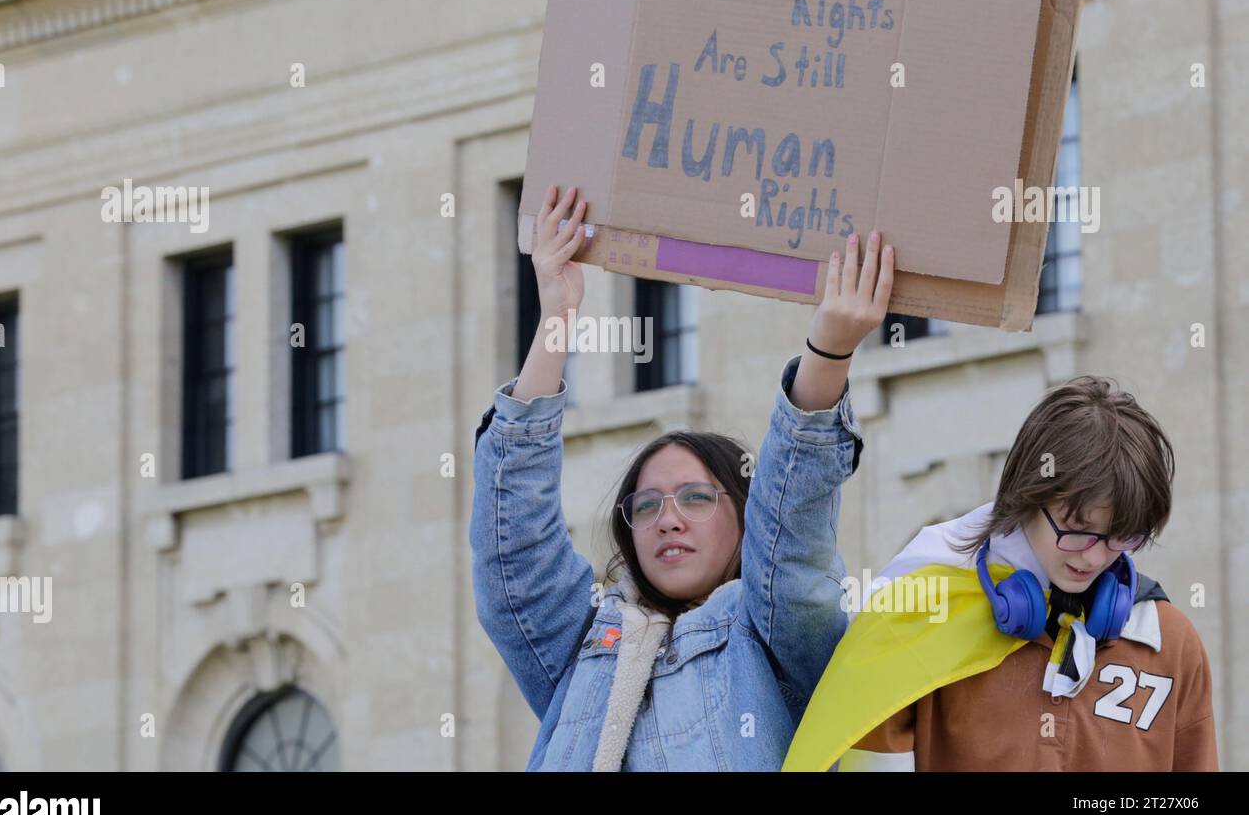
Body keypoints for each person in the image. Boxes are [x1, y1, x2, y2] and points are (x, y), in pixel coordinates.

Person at [470, 183, 894, 770]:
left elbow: (792, 543)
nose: (666, 518)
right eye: (645, 506)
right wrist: (557, 317)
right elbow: (513, 557)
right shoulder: (583, 647)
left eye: (695, 497)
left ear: (747, 518)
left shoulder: (772, 638)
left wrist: (830, 349)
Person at [784, 376, 1218, 771]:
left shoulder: (1173, 645)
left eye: (1122, 538)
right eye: (1077, 529)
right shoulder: (914, 619)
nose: (1095, 557)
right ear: (1025, 496)